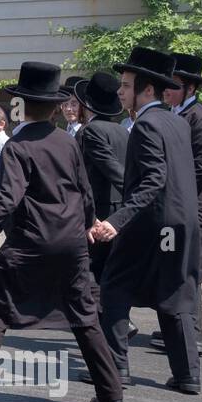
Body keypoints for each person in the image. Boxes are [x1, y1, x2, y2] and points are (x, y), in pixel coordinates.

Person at [0, 62, 126, 402]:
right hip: (71, 241)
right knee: (84, 315)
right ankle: (111, 397)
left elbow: (5, 200)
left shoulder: (17, 146)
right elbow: (85, 192)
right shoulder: (68, 142)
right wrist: (88, 224)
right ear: (56, 107)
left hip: (30, 241)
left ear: (20, 105)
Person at [88, 48, 202, 395]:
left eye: (126, 85)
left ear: (148, 89)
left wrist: (117, 221)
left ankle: (115, 369)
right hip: (181, 223)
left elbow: (153, 180)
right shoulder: (177, 121)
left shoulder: (146, 124)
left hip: (151, 223)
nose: (120, 91)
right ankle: (187, 375)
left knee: (113, 287)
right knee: (175, 294)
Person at [158, 53, 202, 354]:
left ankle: (193, 335)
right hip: (183, 197)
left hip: (201, 199)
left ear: (191, 88)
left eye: (174, 84)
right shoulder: (176, 114)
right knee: (175, 261)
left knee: (191, 265)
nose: (167, 90)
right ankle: (177, 325)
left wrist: (178, 193)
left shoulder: (201, 118)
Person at [74, 72, 127, 293]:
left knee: (90, 270)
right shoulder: (123, 131)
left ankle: (97, 311)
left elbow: (79, 176)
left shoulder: (89, 131)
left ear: (87, 104)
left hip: (97, 210)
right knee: (111, 271)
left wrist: (88, 216)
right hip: (121, 209)